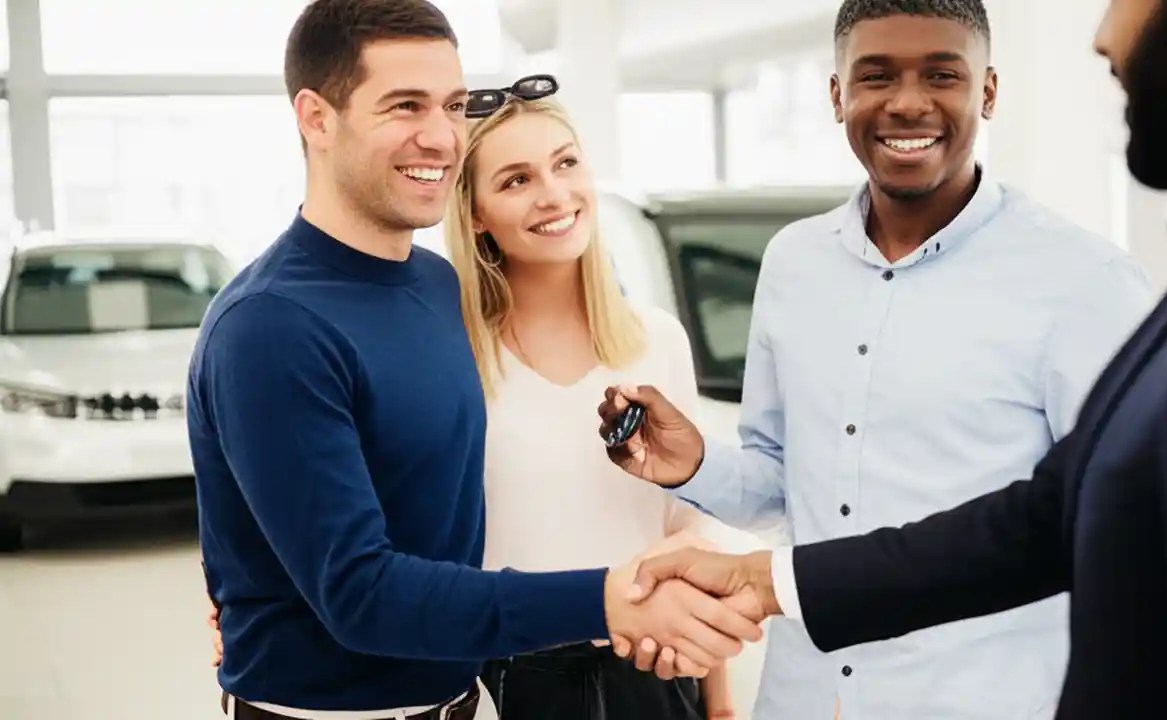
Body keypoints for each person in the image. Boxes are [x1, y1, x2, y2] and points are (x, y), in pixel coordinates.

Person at [608, 0, 1167, 717]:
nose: (907, 102)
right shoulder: (792, 264)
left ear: (987, 92)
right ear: (838, 96)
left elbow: (1090, 523)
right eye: (875, 76)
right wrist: (699, 470)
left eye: (941, 74)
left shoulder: (1087, 280)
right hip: (807, 696)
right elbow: (796, 484)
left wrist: (771, 582)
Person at [188, 1, 761, 718]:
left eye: (452, 105)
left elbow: (435, 514)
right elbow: (358, 591)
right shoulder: (268, 325)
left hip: (460, 699)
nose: (439, 136)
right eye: (404, 106)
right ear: (315, 118)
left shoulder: (433, 289)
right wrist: (608, 600)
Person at [444, 90, 737, 719]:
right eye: (517, 179)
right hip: (510, 682)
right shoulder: (451, 357)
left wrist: (720, 705)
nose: (553, 194)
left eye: (566, 163)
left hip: (653, 674)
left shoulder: (656, 339)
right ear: (474, 214)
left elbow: (690, 524)